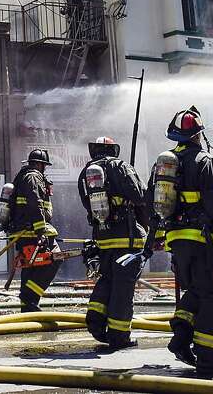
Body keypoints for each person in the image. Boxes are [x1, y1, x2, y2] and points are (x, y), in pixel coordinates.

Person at [158, 106, 213, 379]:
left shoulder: (165, 165)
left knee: (195, 292)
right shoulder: (206, 161)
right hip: (205, 243)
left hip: (178, 244)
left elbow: (152, 205)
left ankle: (180, 338)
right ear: (198, 135)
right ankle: (208, 362)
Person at [77, 136, 152, 350]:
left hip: (102, 238)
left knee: (107, 279)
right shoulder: (120, 166)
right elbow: (139, 196)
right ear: (113, 150)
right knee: (123, 287)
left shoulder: (86, 173)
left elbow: (86, 204)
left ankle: (96, 319)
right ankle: (119, 336)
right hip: (126, 237)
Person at [9, 148, 60, 312]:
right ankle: (30, 298)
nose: (45, 169)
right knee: (55, 258)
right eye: (44, 165)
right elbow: (35, 204)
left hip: (26, 231)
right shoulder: (33, 177)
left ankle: (28, 307)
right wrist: (41, 232)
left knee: (31, 266)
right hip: (31, 231)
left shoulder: (24, 176)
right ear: (39, 164)